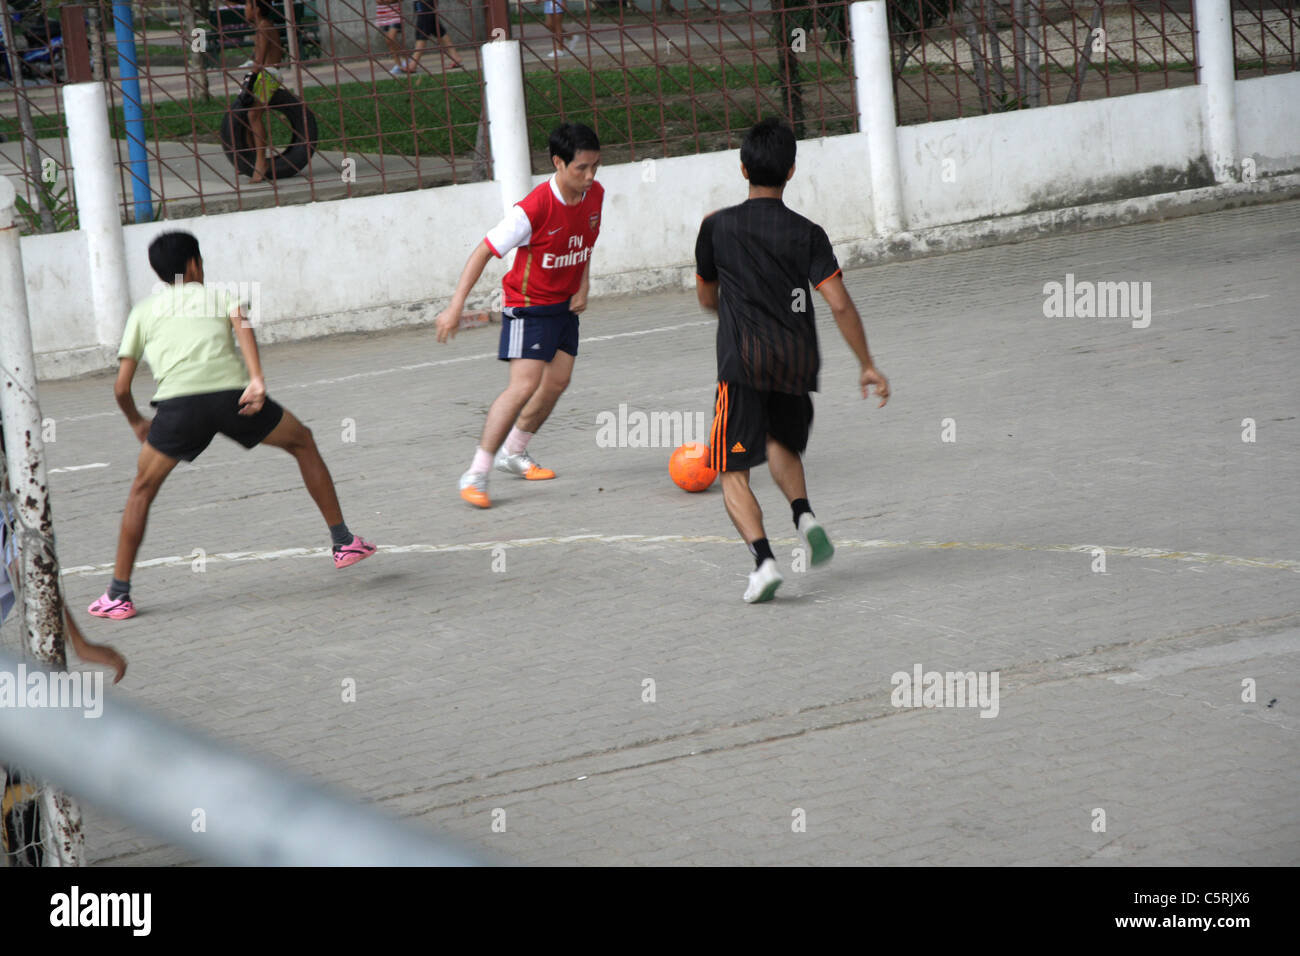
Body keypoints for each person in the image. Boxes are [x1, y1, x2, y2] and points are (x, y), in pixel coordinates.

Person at [87, 231, 375, 621]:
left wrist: (138, 421)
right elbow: (243, 325)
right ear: (193, 265)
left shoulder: (142, 312)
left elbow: (121, 387)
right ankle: (343, 542)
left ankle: (118, 595)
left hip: (178, 409)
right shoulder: (221, 296)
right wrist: (257, 379)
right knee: (303, 442)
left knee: (141, 492)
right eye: (200, 262)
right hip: (233, 401)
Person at [694, 117, 890, 603]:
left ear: (743, 169)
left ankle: (764, 564)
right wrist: (866, 363)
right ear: (793, 171)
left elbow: (705, 296)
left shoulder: (715, 227)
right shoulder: (809, 233)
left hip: (741, 365)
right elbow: (839, 302)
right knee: (781, 441)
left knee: (732, 472)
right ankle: (804, 515)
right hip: (796, 364)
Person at [434, 123, 603, 509]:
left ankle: (515, 452)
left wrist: (583, 283)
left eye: (596, 166)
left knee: (558, 382)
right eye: (582, 168)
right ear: (558, 163)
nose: (590, 176)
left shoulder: (595, 195)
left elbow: (585, 242)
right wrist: (456, 305)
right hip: (529, 306)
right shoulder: (532, 210)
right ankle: (475, 472)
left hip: (563, 305)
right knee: (523, 386)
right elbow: (482, 251)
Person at [244, 0, 284, 183]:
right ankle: (252, 159)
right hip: (264, 73)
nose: (244, 10)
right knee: (242, 114)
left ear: (257, 9)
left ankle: (261, 162)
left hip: (269, 74)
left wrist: (249, 81)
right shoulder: (262, 25)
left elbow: (259, 61)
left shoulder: (264, 27)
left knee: (253, 115)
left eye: (247, 6)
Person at [406, 0, 464, 72]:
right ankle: (455, 57)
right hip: (422, 3)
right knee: (438, 30)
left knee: (422, 32)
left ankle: (413, 64)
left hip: (425, 3)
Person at [375, 0, 408, 76]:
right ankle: (399, 64)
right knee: (388, 42)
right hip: (383, 15)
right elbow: (378, 1)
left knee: (391, 39)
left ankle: (404, 60)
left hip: (395, 14)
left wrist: (388, 1)